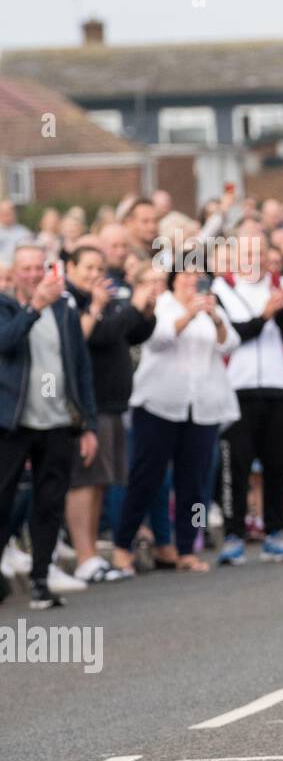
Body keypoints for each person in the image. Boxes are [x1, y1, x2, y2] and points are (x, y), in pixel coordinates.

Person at [110, 270, 241, 575]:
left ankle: (187, 546)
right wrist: (189, 315)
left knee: (194, 481)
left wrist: (215, 318)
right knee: (146, 476)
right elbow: (157, 340)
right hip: (159, 404)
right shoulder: (163, 304)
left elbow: (229, 344)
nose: (192, 280)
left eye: (198, 275)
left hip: (202, 406)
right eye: (186, 275)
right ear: (174, 279)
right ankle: (122, 545)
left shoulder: (213, 306)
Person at [0, 246, 98, 609]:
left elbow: (81, 368)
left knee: (49, 502)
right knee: (4, 499)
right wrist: (33, 307)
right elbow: (5, 343)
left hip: (57, 420)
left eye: (38, 267)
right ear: (15, 272)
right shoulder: (6, 306)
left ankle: (41, 579)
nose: (33, 274)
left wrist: (87, 423)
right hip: (14, 422)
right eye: (25, 268)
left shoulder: (65, 310)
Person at [211, 219, 283, 564]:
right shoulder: (219, 290)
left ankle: (275, 531)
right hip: (235, 388)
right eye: (245, 253)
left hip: (279, 386)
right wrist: (263, 316)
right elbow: (228, 336)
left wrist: (279, 311)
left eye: (258, 253)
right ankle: (234, 535)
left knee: (277, 462)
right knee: (234, 464)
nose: (251, 259)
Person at [62, 243, 157, 583]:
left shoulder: (105, 300)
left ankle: (92, 557)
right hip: (89, 405)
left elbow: (131, 334)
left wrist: (145, 312)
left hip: (113, 404)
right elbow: (94, 337)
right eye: (87, 268)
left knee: (101, 481)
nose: (94, 275)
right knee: (84, 481)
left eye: (99, 269)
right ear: (70, 268)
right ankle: (84, 555)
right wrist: (113, 308)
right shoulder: (71, 300)